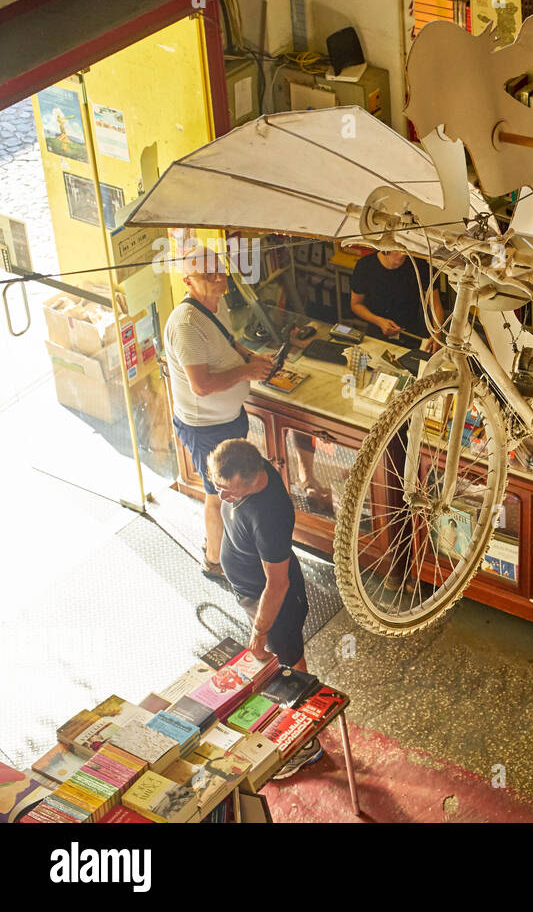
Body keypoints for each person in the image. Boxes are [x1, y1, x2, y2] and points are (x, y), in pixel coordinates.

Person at [207, 437, 323, 778]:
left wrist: (260, 631)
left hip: (275, 603)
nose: (222, 497)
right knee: (278, 667)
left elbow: (278, 584)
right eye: (218, 486)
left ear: (257, 480)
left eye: (230, 491)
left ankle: (308, 742)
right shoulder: (241, 462)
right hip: (250, 591)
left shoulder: (269, 516)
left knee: (289, 668)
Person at [165, 248, 276, 583]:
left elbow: (228, 341)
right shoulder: (186, 325)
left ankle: (225, 546)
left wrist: (250, 357)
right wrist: (246, 373)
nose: (216, 277)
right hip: (206, 428)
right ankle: (214, 562)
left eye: (218, 270)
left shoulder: (217, 303)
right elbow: (201, 385)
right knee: (217, 495)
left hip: (228, 418)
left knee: (230, 487)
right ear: (187, 282)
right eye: (205, 274)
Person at [348, 249, 443, 349]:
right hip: (377, 331)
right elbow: (355, 305)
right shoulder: (365, 265)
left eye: (405, 250)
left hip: (412, 332)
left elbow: (435, 305)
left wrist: (437, 334)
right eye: (397, 251)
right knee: (371, 362)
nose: (402, 255)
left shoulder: (419, 264)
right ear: (386, 247)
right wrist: (379, 321)